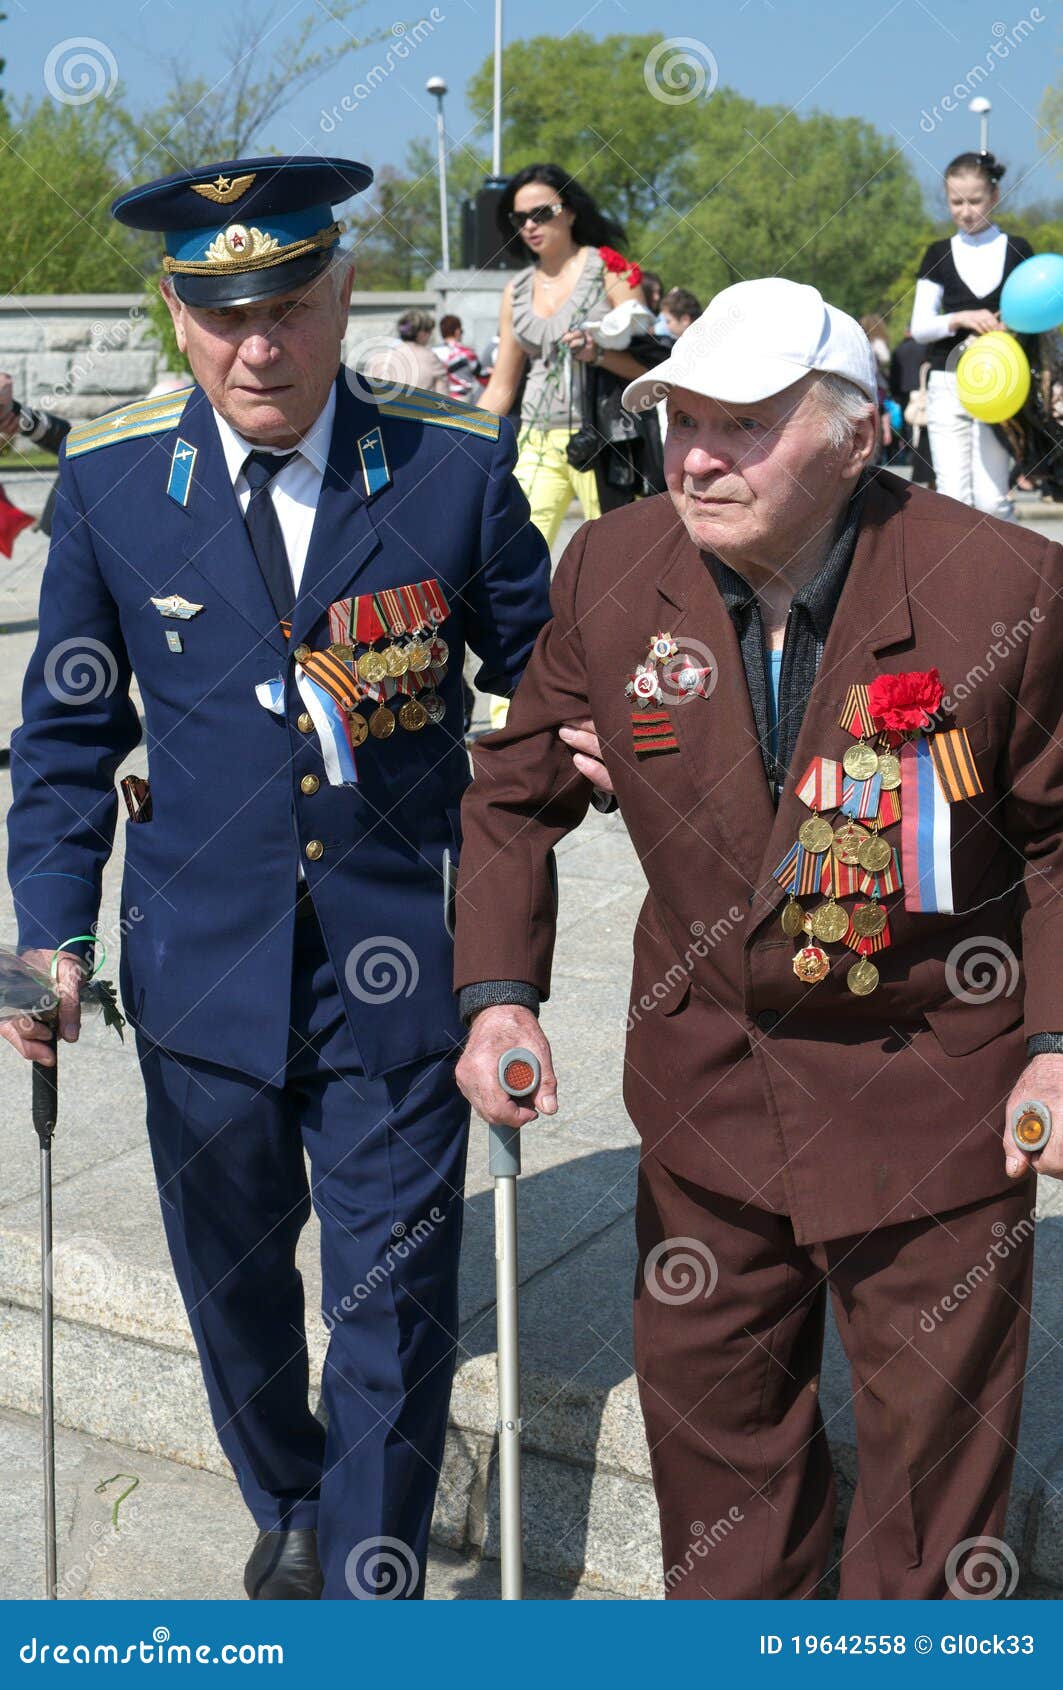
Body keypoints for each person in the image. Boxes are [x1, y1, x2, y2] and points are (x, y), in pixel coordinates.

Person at [451, 276, 1063, 1599]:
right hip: (707, 1101)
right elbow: (509, 789)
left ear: (854, 436)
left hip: (929, 1101)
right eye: (677, 420)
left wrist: (1055, 1046)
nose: (695, 456)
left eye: (742, 422)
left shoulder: (1002, 587)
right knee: (719, 1474)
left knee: (931, 1496)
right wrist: (497, 994)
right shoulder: (613, 567)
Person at [3, 154, 552, 1601]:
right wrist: (42, 936)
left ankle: (370, 1579)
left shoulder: (452, 470)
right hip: (201, 978)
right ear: (177, 314)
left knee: (394, 1299)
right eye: (221, 310)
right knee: (237, 1295)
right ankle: (290, 1494)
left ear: (341, 294)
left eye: (291, 307)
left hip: (391, 983)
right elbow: (64, 739)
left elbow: (542, 686)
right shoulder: (117, 487)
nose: (260, 345)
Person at [477, 162, 647, 549]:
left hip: (605, 438)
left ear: (569, 211)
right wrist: (455, 436)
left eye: (542, 213)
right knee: (516, 546)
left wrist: (597, 352)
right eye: (520, 218)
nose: (530, 226)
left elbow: (649, 365)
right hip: (536, 440)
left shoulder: (610, 270)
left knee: (616, 554)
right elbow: (501, 388)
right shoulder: (516, 290)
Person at [910, 150, 1033, 518]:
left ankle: (1008, 573)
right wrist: (963, 317)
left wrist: (1011, 325)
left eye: (975, 200)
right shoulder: (937, 253)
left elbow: (1036, 321)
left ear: (994, 197)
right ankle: (959, 576)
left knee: (993, 499)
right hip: (948, 382)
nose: (965, 210)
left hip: (1001, 384)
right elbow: (919, 327)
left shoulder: (1018, 249)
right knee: (953, 497)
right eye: (955, 201)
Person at [362, 306, 448, 395]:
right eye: (430, 332)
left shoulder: (381, 356)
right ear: (422, 333)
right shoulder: (430, 358)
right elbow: (442, 399)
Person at [888, 330, 934, 487]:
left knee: (909, 424)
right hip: (924, 392)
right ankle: (916, 453)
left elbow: (894, 373)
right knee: (922, 428)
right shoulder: (926, 345)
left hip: (905, 392)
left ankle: (910, 452)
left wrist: (894, 393)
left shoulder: (900, 349)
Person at [433, 314, 483, 401]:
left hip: (437, 400)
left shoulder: (432, 353)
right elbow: (481, 375)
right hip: (462, 399)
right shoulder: (467, 353)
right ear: (458, 331)